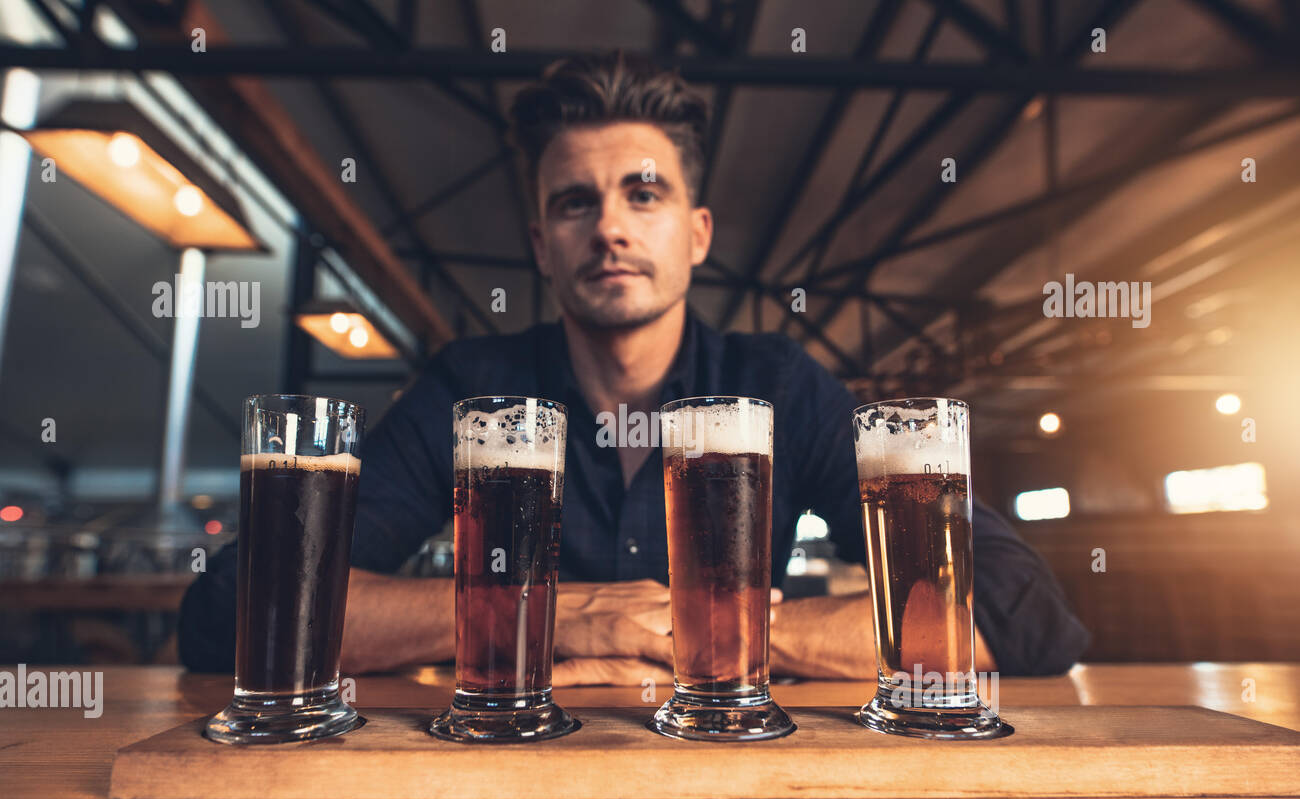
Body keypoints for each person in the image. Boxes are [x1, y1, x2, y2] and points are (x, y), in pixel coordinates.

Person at [179, 51, 1090, 684]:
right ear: (541, 243)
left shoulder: (772, 384)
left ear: (696, 234)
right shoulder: (473, 389)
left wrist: (721, 632)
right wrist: (559, 616)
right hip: (509, 794)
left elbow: (1017, 612)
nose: (609, 226)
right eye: (576, 202)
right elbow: (239, 609)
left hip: (725, 797)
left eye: (642, 194)